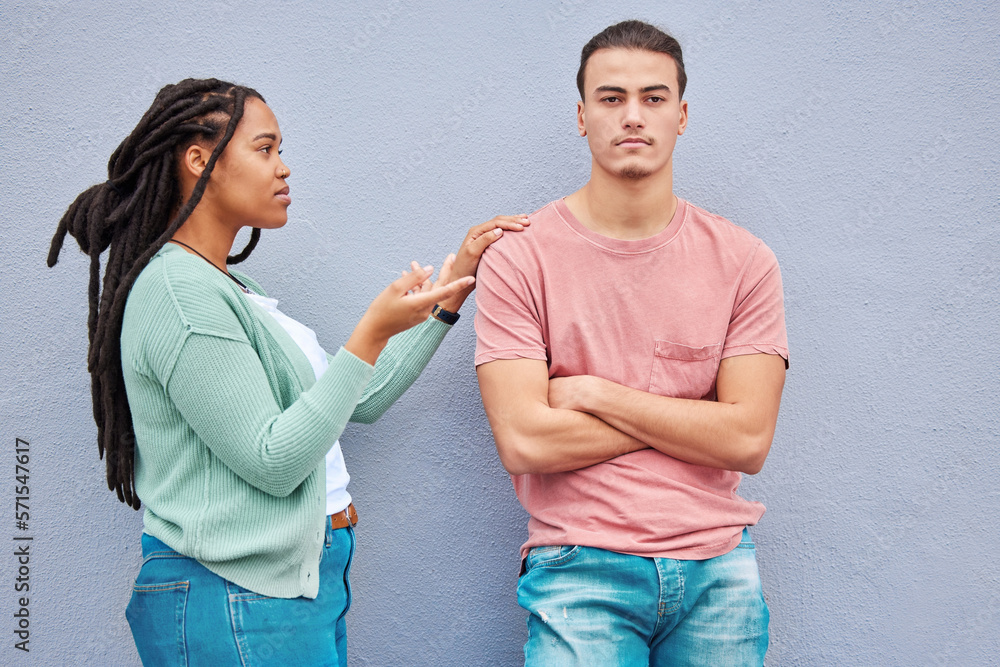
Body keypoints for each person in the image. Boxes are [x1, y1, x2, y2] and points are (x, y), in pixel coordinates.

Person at [47, 78, 527, 666]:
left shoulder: (230, 288)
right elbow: (272, 461)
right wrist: (370, 332)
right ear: (199, 161)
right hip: (237, 593)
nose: (284, 168)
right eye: (265, 149)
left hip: (290, 587)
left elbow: (359, 399)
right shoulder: (179, 292)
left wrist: (448, 296)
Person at [474, 20, 788, 666]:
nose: (633, 116)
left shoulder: (744, 260)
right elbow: (526, 441)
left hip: (719, 569)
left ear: (682, 115)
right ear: (582, 117)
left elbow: (749, 441)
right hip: (579, 567)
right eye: (612, 98)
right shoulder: (519, 258)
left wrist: (594, 394)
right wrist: (694, 418)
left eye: (654, 97)